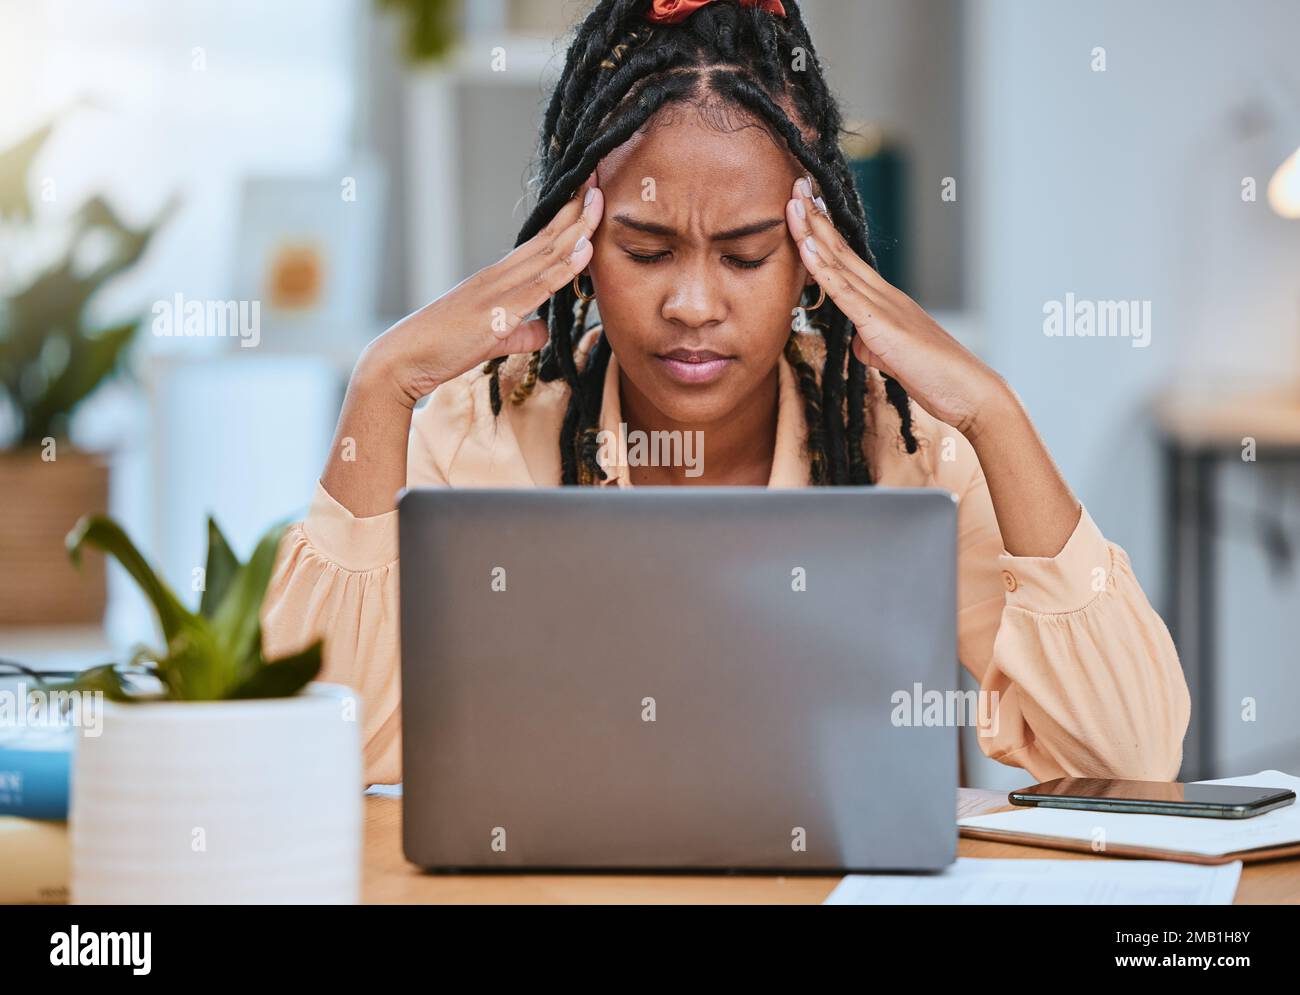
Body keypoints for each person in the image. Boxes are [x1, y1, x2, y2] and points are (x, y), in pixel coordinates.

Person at [262, 0, 1190, 787]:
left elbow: (1131, 753)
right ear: (576, 247)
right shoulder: (488, 432)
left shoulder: (900, 443)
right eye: (646, 250)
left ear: (811, 254)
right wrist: (381, 384)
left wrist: (994, 412)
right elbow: (325, 754)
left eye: (746, 254)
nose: (693, 305)